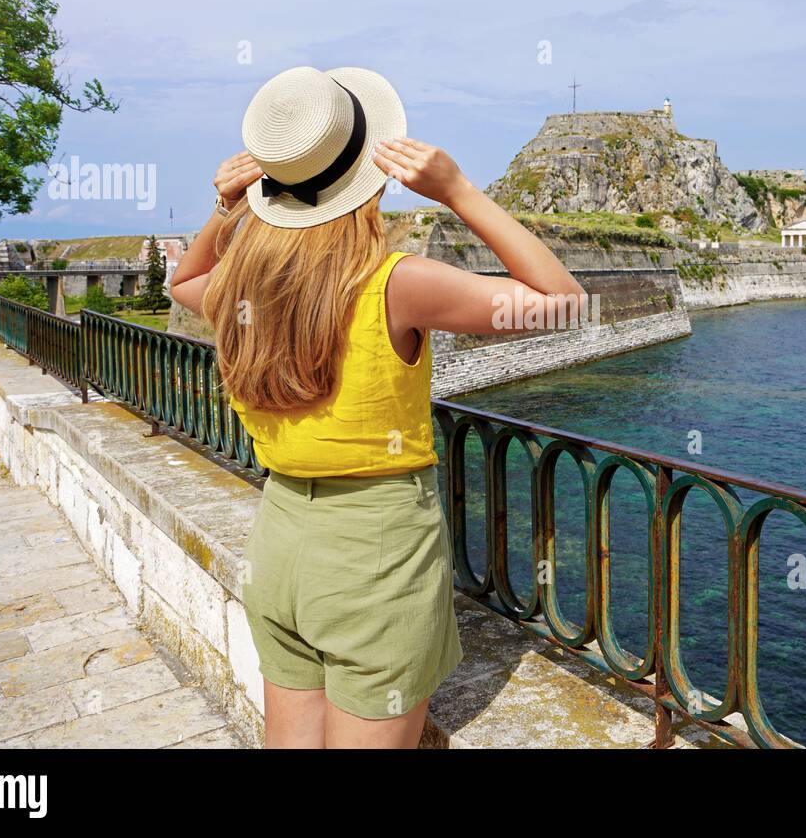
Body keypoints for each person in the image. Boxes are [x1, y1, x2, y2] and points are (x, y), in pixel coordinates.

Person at [170, 65, 585, 748]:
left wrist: (225, 211)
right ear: (373, 175)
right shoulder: (397, 284)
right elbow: (564, 302)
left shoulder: (244, 287)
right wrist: (458, 192)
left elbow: (185, 279)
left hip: (279, 541)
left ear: (269, 185)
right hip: (376, 554)